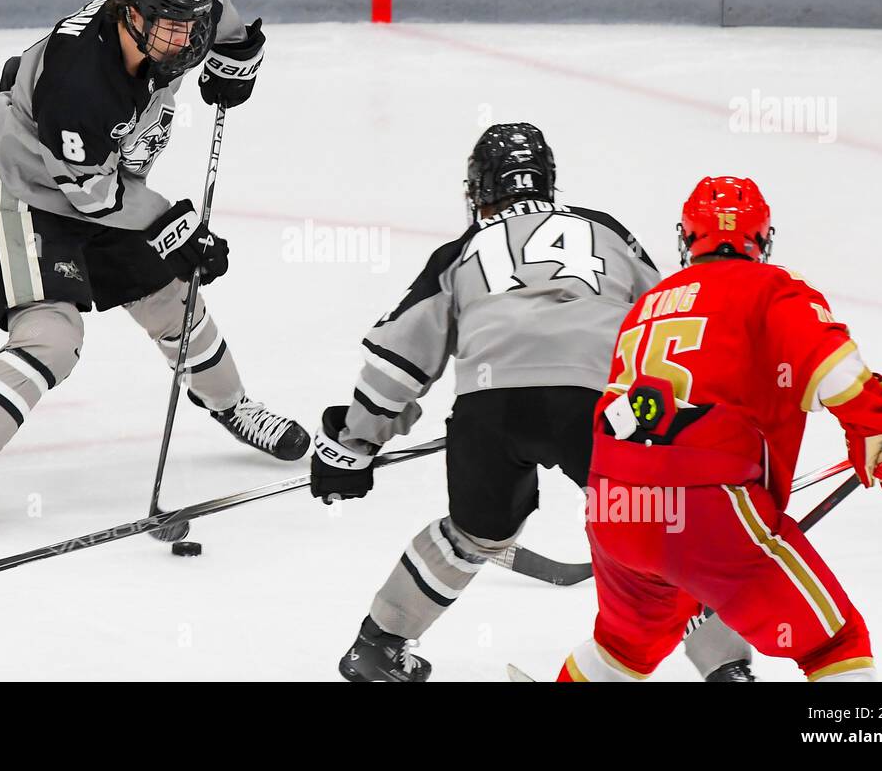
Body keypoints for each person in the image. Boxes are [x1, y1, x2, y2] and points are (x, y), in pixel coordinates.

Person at [0, 0, 308, 538]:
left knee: (172, 299)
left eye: (194, 32)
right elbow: (94, 198)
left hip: (106, 180)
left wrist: (237, 57)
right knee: (53, 336)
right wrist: (175, 226)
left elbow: (225, 16)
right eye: (170, 33)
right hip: (26, 188)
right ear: (129, 15)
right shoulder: (80, 82)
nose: (186, 45)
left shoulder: (189, 7)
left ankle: (232, 405)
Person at [311, 123, 755, 681]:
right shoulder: (605, 232)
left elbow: (399, 357)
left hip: (490, 407)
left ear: (478, 188)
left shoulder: (461, 251)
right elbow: (667, 321)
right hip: (596, 406)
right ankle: (725, 669)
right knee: (668, 526)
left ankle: (377, 646)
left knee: (476, 531)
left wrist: (354, 440)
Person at [558, 176, 882, 682]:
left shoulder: (648, 303)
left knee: (622, 647)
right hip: (706, 509)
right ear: (763, 239)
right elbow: (837, 374)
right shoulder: (774, 288)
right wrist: (880, 426)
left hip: (613, 507)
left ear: (687, 238)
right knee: (834, 645)